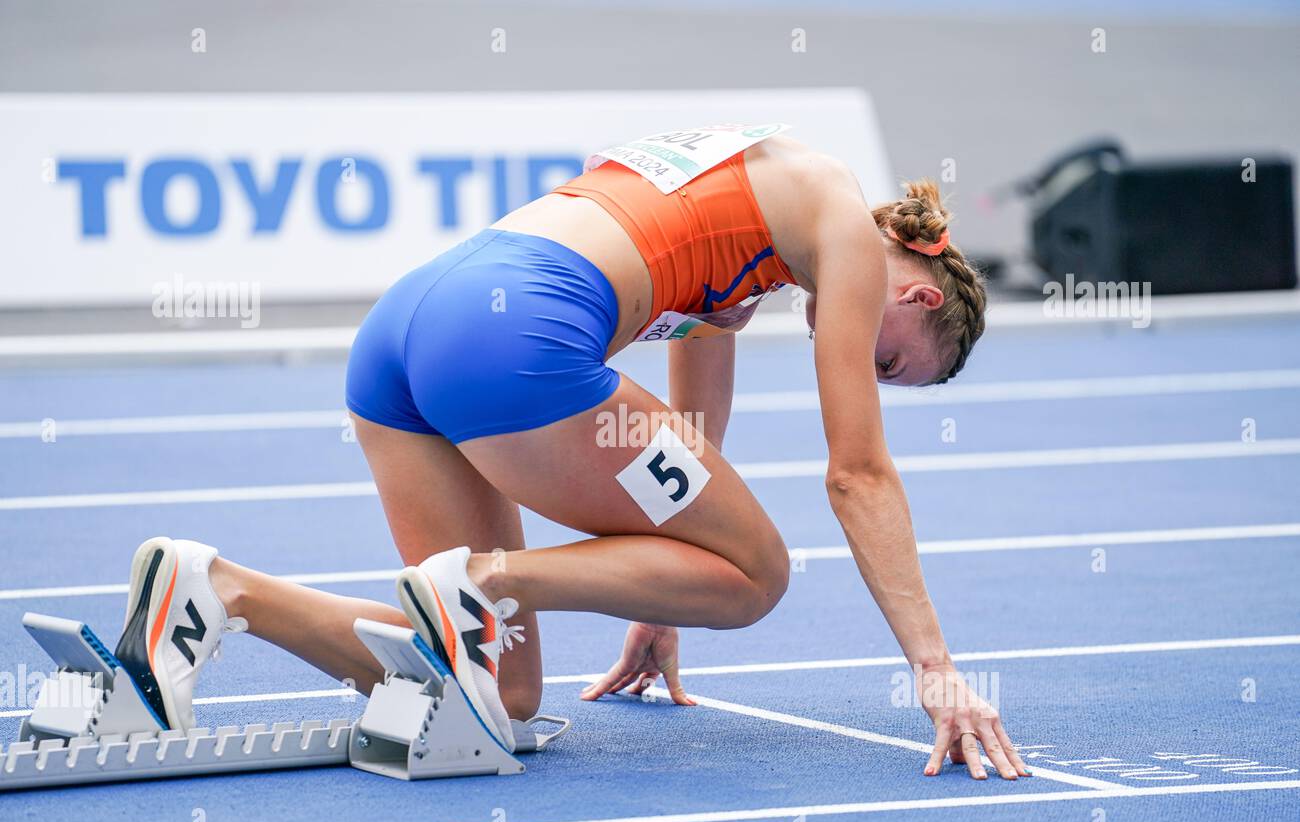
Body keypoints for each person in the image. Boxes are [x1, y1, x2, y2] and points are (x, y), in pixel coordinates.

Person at [116, 131, 1029, 780]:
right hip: (515, 333)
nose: (860, 361)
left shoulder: (767, 207)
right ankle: (483, 575)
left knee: (495, 697)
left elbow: (693, 425)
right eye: (885, 363)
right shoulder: (840, 224)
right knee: (757, 575)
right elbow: (856, 470)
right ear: (912, 293)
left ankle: (219, 590)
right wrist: (937, 670)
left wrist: (660, 588)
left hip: (408, 326)